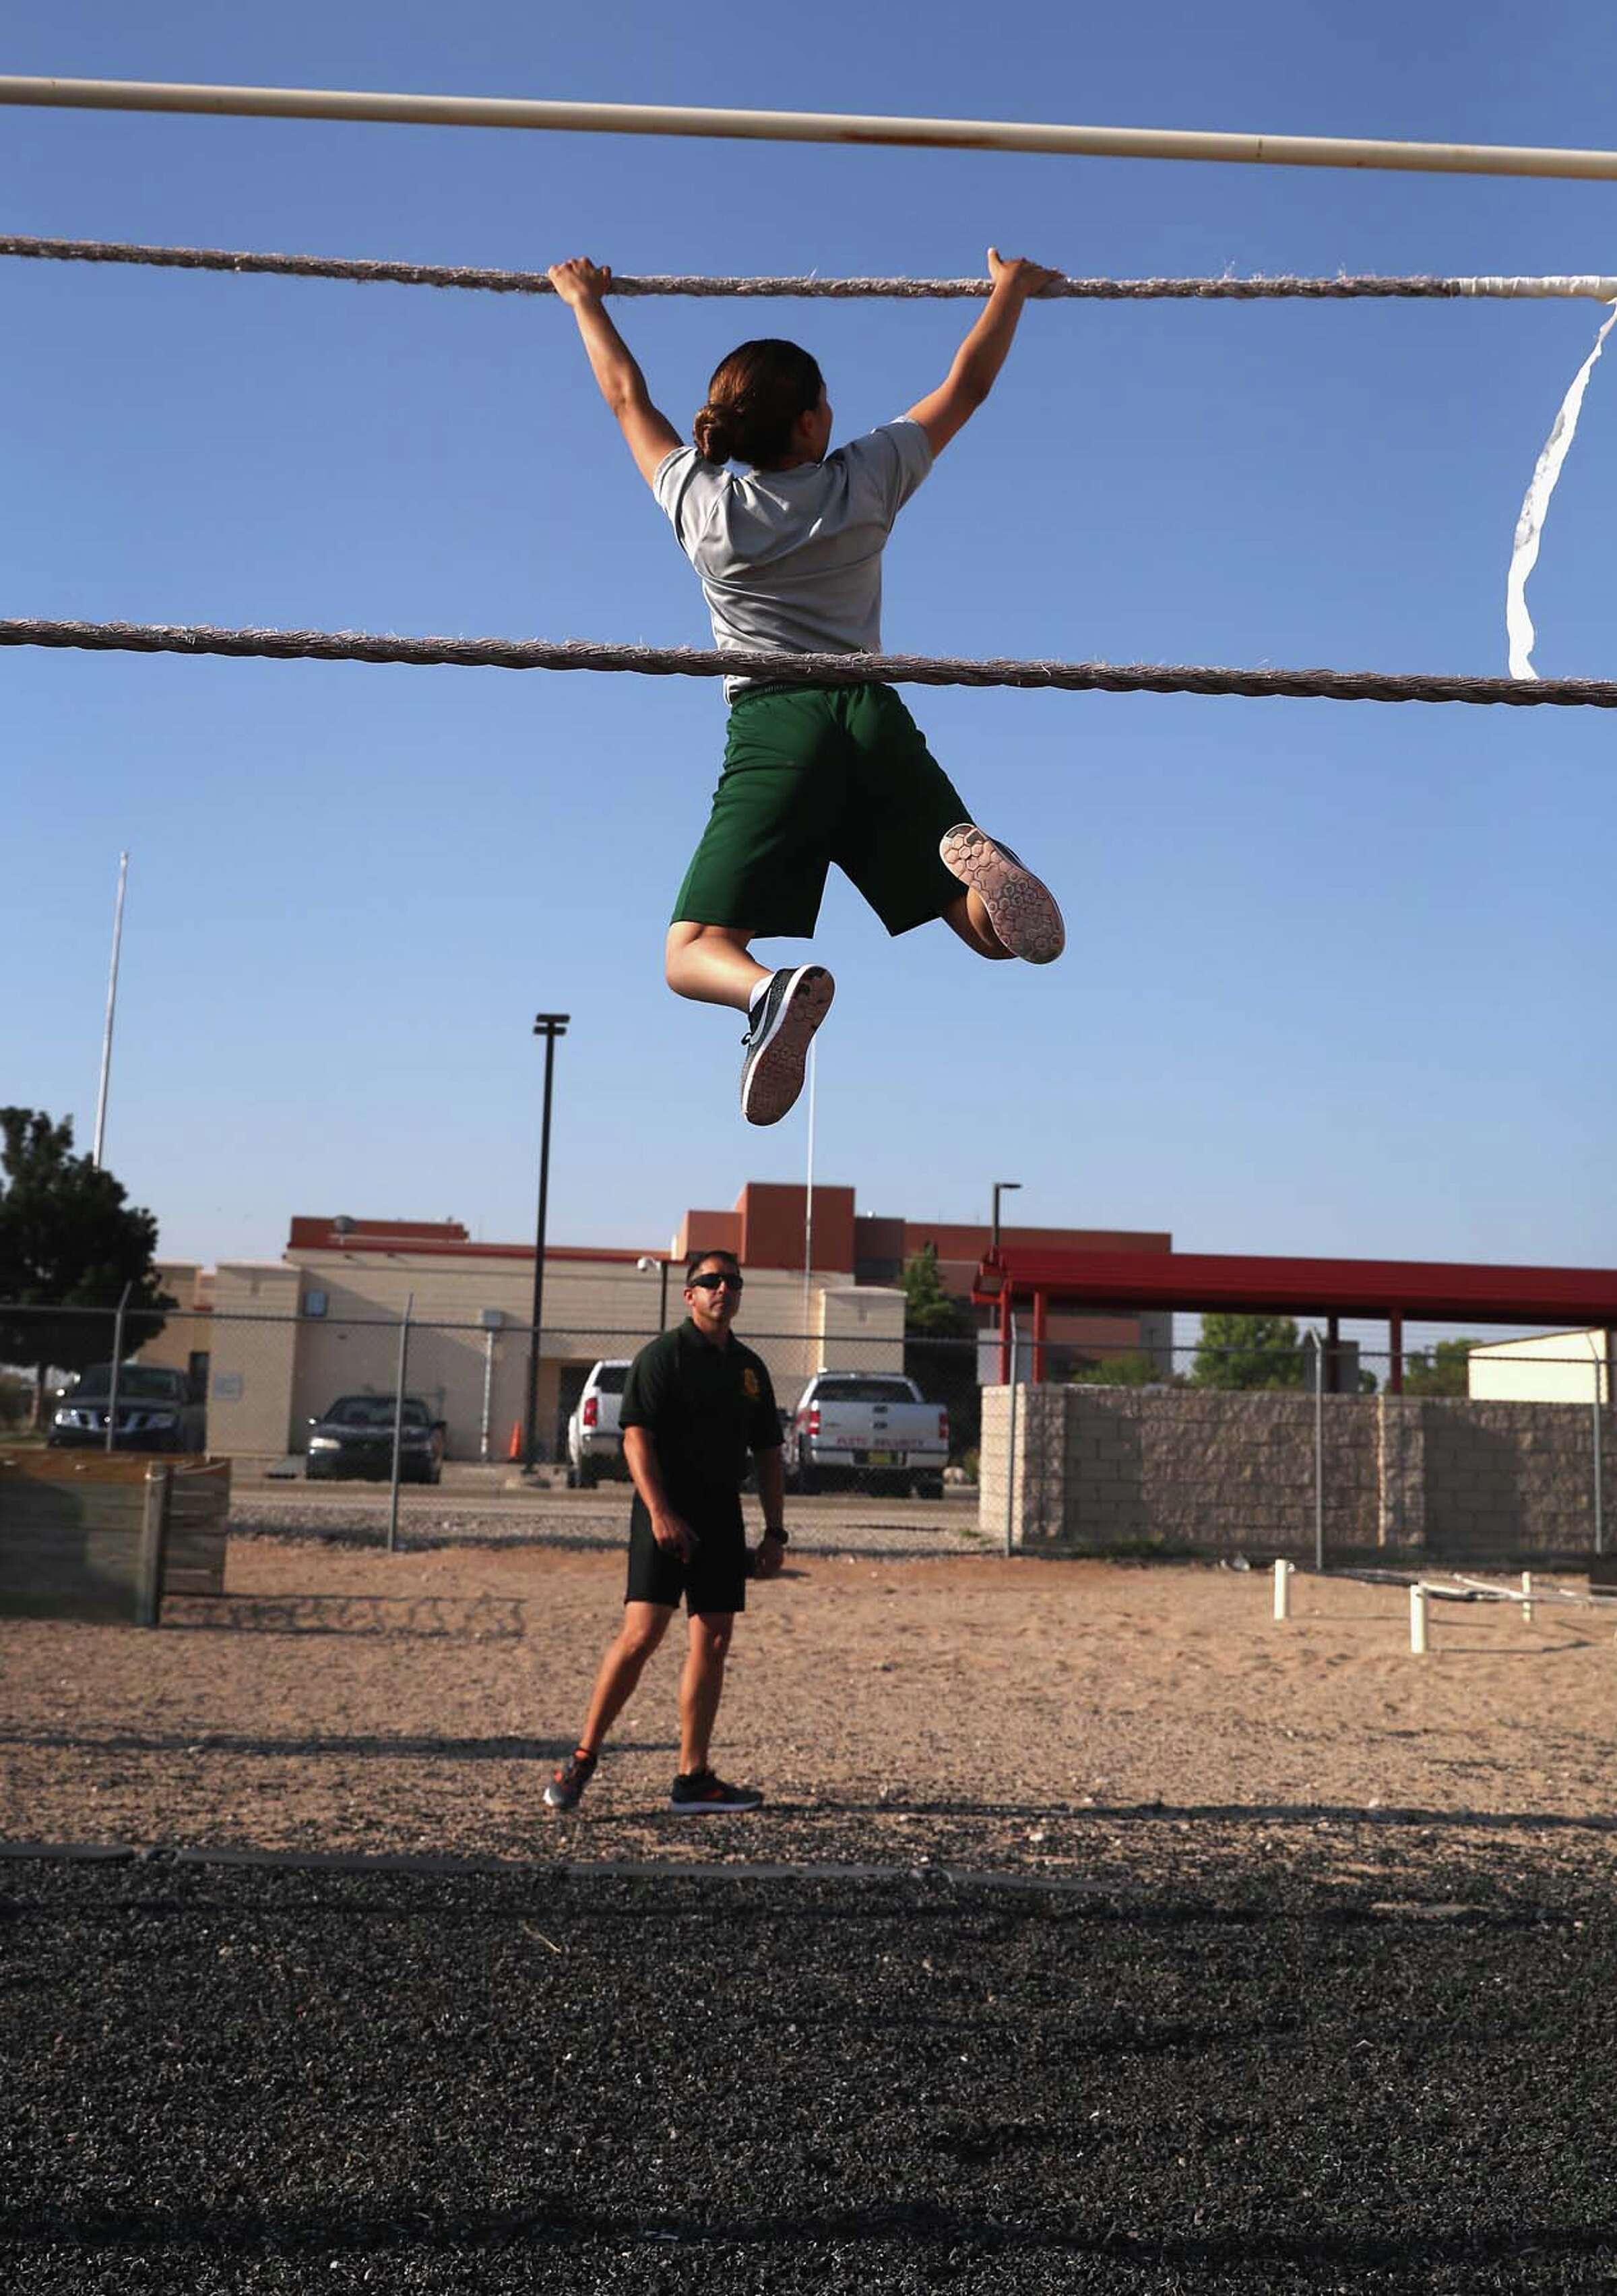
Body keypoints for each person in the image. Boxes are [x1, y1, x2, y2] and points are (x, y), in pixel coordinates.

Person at [548, 247, 1067, 1125]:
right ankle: (994, 881)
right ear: (807, 428)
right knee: (973, 924)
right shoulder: (865, 481)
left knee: (692, 952)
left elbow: (627, 399)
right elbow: (966, 388)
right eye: (823, 399)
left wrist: (582, 300)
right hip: (871, 716)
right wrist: (1010, 290)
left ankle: (767, 992)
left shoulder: (704, 508)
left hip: (774, 726)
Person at [544, 1247, 787, 1815]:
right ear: (690, 1294)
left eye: (733, 1280)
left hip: (721, 1513)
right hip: (665, 1508)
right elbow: (636, 1440)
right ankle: (582, 1758)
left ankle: (693, 1777)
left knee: (715, 1637)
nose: (722, 1289)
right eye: (710, 1281)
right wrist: (658, 1511)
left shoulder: (749, 1368)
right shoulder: (663, 1357)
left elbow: (770, 1453)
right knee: (642, 1634)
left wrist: (775, 1532)